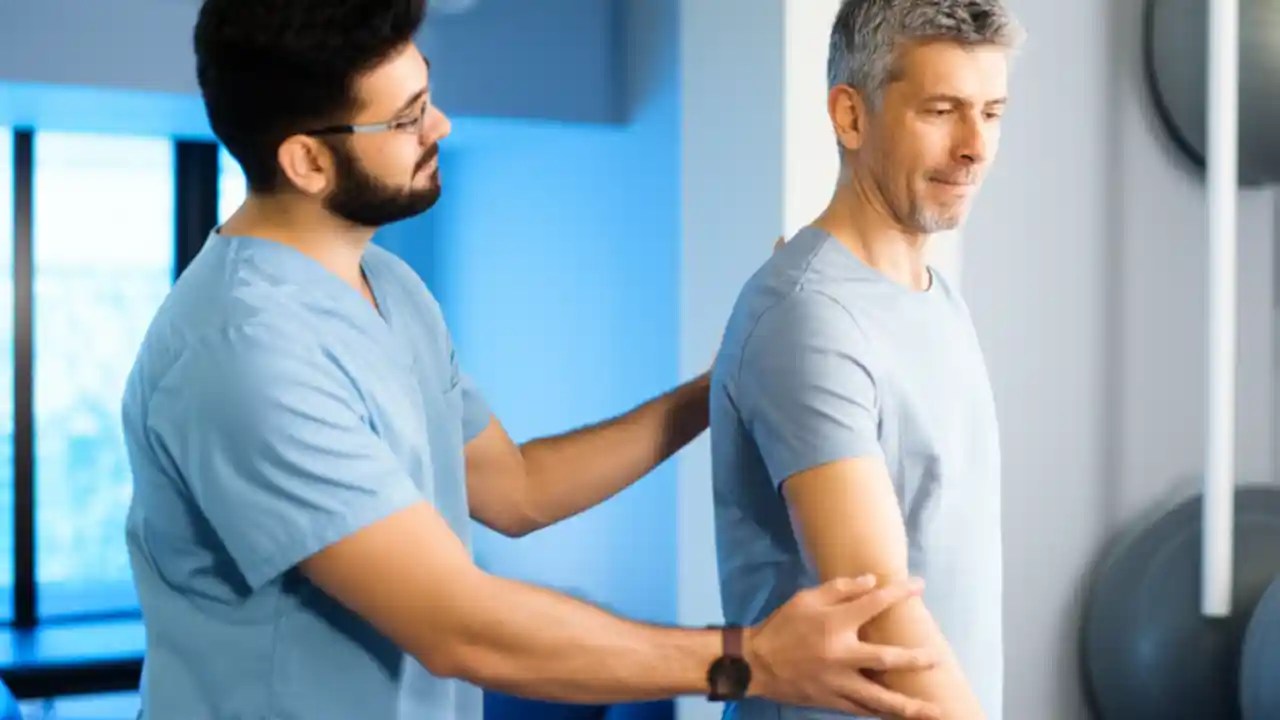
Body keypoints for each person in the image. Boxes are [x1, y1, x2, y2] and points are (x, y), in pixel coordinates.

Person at [119, 1, 946, 719]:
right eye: (405, 119)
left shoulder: (387, 286)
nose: (439, 126)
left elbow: (516, 490)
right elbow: (457, 624)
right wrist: (749, 656)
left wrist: (729, 374)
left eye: (428, 95)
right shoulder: (241, 353)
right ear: (307, 160)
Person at [710, 1, 1024, 719]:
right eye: (942, 110)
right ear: (851, 117)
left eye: (993, 112)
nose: (976, 145)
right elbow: (879, 608)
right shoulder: (809, 316)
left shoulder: (932, 295)